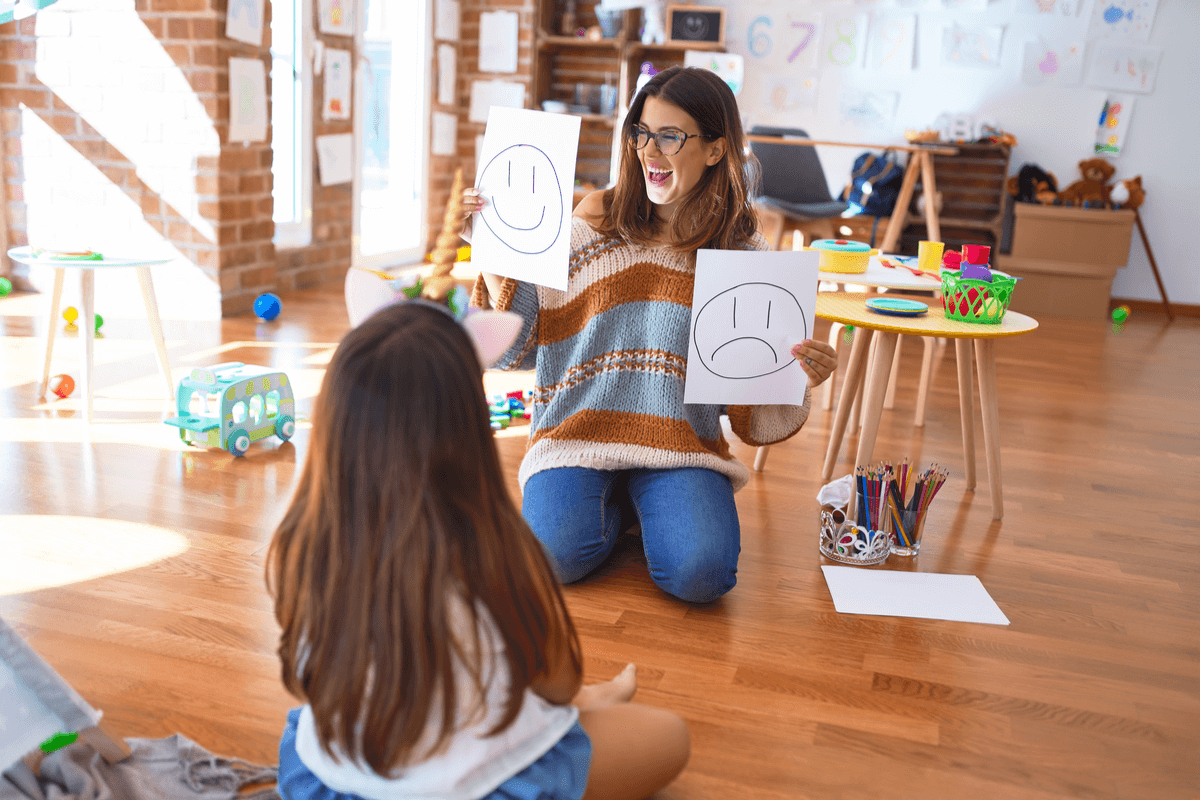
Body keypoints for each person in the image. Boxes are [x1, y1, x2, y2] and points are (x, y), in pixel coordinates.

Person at [266, 301, 690, 800]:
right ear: (466, 433)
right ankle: (586, 707)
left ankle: (585, 706)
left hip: (335, 782)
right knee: (669, 736)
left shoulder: (301, 546)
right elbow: (555, 680)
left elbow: (307, 684)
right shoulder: (499, 555)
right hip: (479, 785)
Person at [465, 66, 838, 603]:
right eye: (641, 132)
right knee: (550, 560)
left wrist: (797, 374)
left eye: (669, 136)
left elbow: (751, 417)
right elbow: (515, 349)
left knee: (701, 577)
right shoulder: (585, 229)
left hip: (680, 447)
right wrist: (495, 250)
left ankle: (646, 507)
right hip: (576, 439)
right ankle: (619, 509)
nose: (649, 151)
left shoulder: (742, 257)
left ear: (715, 149)